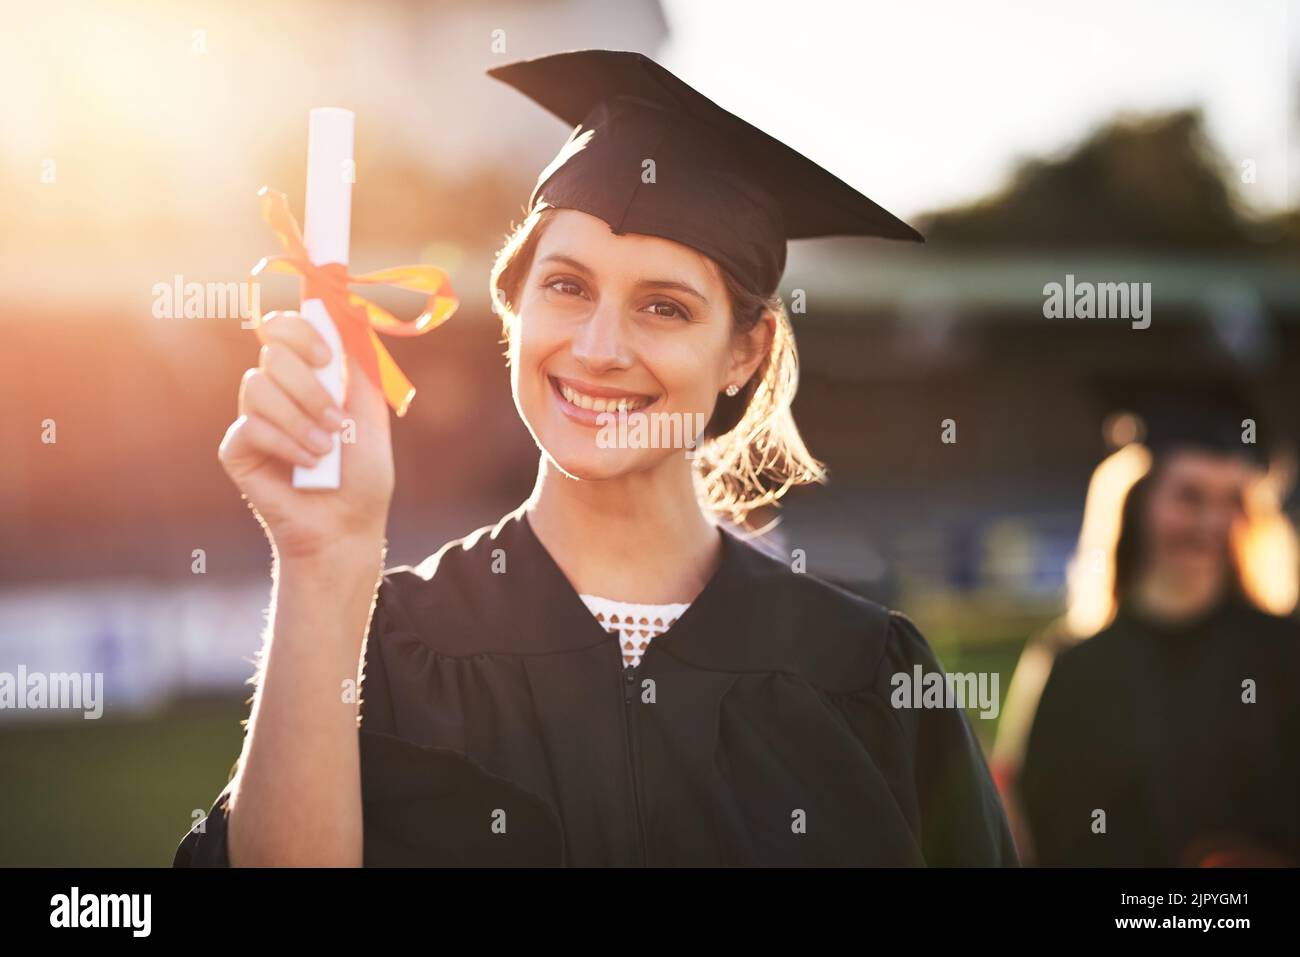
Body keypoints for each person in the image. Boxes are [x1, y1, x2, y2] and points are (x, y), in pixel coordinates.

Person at [174, 49, 1017, 866]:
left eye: (664, 306)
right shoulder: (384, 650)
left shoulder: (865, 674)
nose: (600, 347)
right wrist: (324, 560)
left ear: (744, 353)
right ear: (514, 303)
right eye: (568, 286)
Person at [1003, 396, 1300, 866]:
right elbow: (1039, 824)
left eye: (1231, 502)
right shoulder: (1074, 665)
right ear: (1138, 503)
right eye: (1190, 497)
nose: (1212, 523)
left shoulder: (1285, 654)